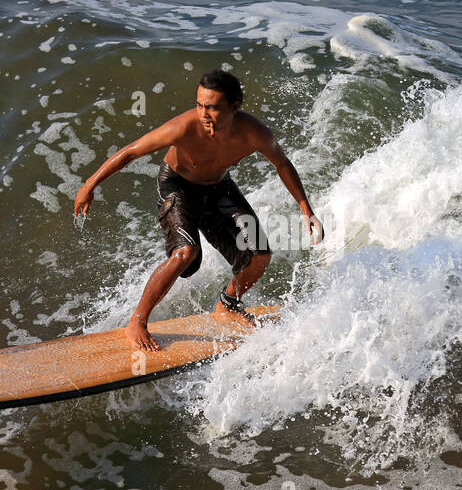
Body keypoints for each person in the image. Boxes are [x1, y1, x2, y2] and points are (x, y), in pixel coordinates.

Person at [73, 69, 323, 352]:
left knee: (260, 255)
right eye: (200, 105)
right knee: (186, 254)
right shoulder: (184, 127)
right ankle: (137, 321)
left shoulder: (255, 133)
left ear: (235, 108)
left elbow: (282, 164)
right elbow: (131, 151)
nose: (204, 113)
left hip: (218, 187)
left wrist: (306, 210)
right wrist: (89, 185)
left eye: (213, 107)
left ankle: (227, 305)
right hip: (176, 185)